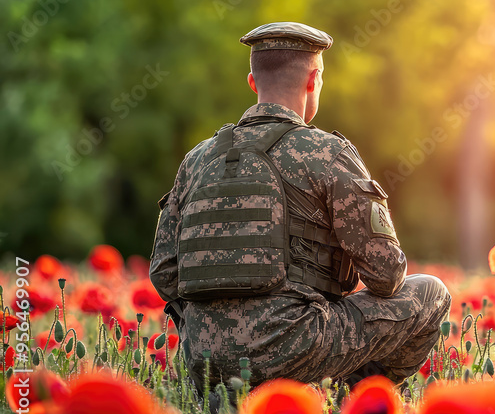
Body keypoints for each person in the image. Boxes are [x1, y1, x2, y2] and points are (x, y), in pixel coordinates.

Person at [149, 22, 451, 389]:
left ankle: (233, 398)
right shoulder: (328, 152)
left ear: (252, 82)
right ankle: (346, 406)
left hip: (205, 359)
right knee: (431, 292)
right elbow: (386, 275)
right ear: (314, 80)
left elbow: (164, 273)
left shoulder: (197, 159)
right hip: (295, 347)